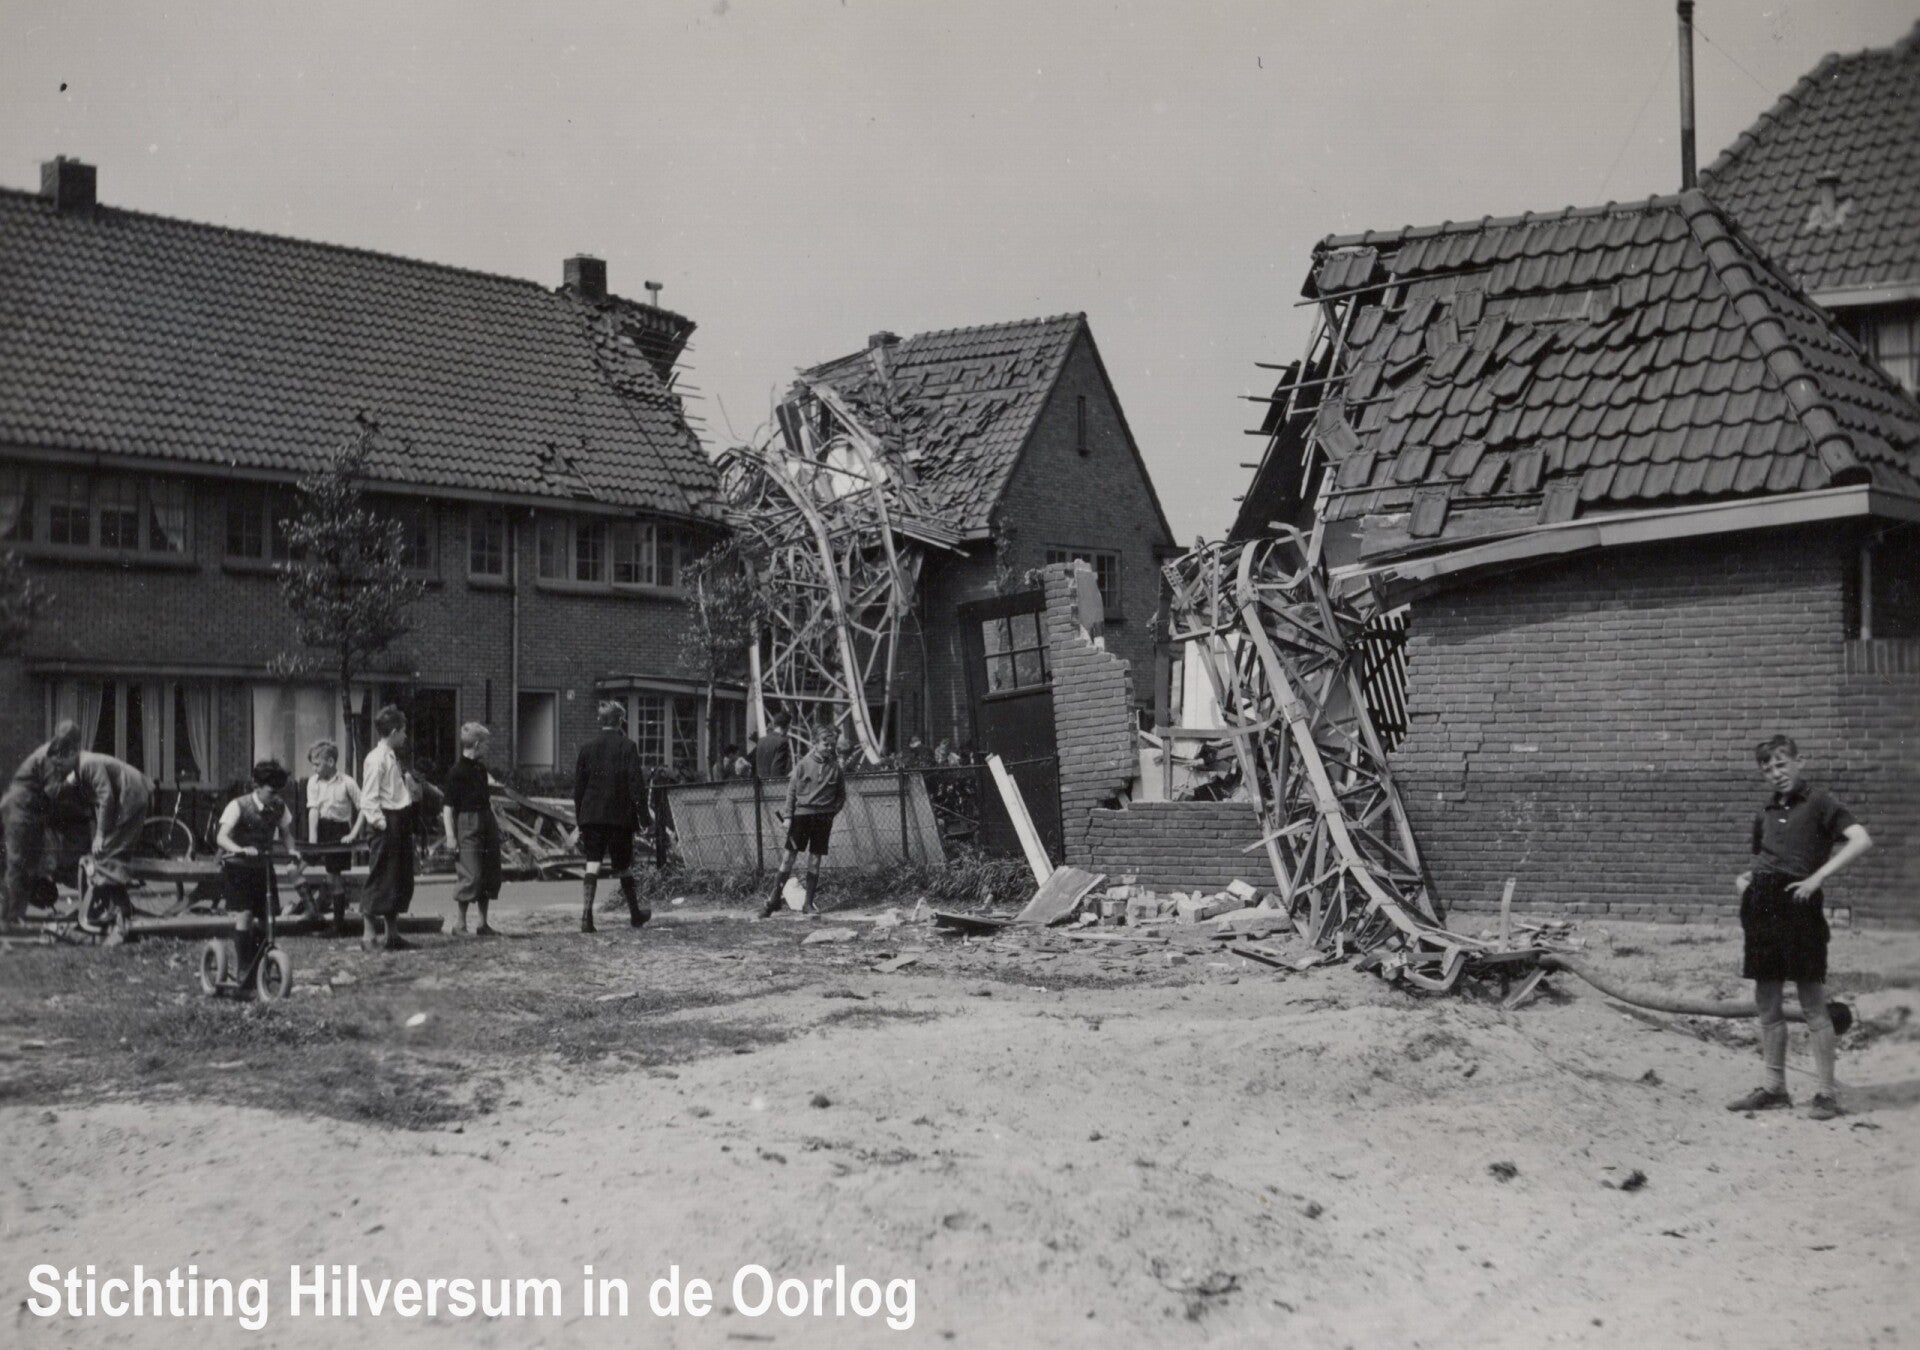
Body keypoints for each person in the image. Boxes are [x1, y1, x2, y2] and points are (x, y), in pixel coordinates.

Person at [1727, 735, 1872, 1121]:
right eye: (1768, 768)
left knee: (1812, 1004)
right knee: (1767, 1003)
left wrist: (1818, 878)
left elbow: (1861, 840)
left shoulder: (1821, 802)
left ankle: (1826, 1094)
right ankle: (1775, 1089)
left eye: (1781, 763)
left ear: (1798, 761)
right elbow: (1765, 858)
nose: (1777, 773)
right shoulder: (1766, 810)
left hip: (1800, 905)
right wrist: (1747, 881)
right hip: (1762, 907)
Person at [214, 761, 301, 973]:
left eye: (277, 791)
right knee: (245, 914)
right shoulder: (239, 805)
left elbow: (286, 834)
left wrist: (292, 850)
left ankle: (260, 963)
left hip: (262, 866)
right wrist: (240, 849)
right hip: (239, 867)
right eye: (271, 791)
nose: (275, 796)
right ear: (257, 786)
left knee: (266, 917)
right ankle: (244, 967)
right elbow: (221, 837)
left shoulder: (278, 806)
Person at [573, 700, 650, 933]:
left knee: (592, 864)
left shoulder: (587, 748)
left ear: (600, 720)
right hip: (619, 817)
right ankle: (635, 914)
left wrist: (580, 819)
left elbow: (579, 788)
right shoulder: (628, 747)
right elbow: (636, 785)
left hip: (592, 816)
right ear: (620, 721)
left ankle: (587, 917)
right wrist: (644, 817)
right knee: (623, 865)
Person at [761, 728, 848, 918]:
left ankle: (807, 904)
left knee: (815, 860)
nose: (829, 748)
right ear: (815, 744)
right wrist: (788, 817)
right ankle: (774, 900)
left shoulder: (835, 768)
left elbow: (841, 796)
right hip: (801, 816)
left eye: (832, 745)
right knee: (788, 858)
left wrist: (831, 812)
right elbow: (791, 792)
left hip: (823, 818)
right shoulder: (802, 765)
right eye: (826, 744)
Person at [1, 721, 82, 924]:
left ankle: (15, 916)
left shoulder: (51, 752)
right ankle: (10, 919)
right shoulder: (51, 756)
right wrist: (73, 782)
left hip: (28, 812)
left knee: (28, 867)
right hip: (22, 810)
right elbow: (53, 791)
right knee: (19, 865)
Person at [67, 751, 154, 919]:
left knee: (108, 854)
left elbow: (106, 797)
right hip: (123, 799)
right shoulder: (78, 769)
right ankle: (111, 905)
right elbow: (96, 803)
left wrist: (100, 835)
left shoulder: (87, 764)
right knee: (103, 854)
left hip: (131, 797)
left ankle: (120, 908)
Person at [359, 705, 416, 952]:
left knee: (398, 878)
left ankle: (392, 934)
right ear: (393, 731)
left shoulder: (391, 756)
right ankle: (368, 936)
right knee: (380, 876)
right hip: (385, 822)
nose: (405, 736)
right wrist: (382, 824)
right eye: (403, 731)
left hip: (398, 819)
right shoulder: (376, 759)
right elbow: (368, 798)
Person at [441, 722, 502, 936]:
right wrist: (450, 836)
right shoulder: (456, 772)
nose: (488, 748)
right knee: (471, 874)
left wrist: (494, 822)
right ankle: (460, 924)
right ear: (476, 744)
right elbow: (447, 808)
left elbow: (487, 799)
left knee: (489, 871)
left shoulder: (481, 769)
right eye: (485, 744)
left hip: (486, 820)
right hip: (467, 823)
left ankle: (483, 923)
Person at [304, 740, 362, 930]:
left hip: (339, 831)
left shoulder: (347, 782)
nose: (314, 769)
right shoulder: (313, 782)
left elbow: (364, 808)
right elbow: (313, 809)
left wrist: (353, 833)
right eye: (312, 764)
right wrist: (313, 840)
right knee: (294, 868)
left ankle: (338, 924)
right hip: (319, 828)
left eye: (317, 764)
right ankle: (310, 909)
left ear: (330, 762)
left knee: (334, 877)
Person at [753, 710, 793, 781]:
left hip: (761, 784)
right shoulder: (783, 742)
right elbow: (777, 769)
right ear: (787, 725)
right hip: (774, 786)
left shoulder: (761, 740)